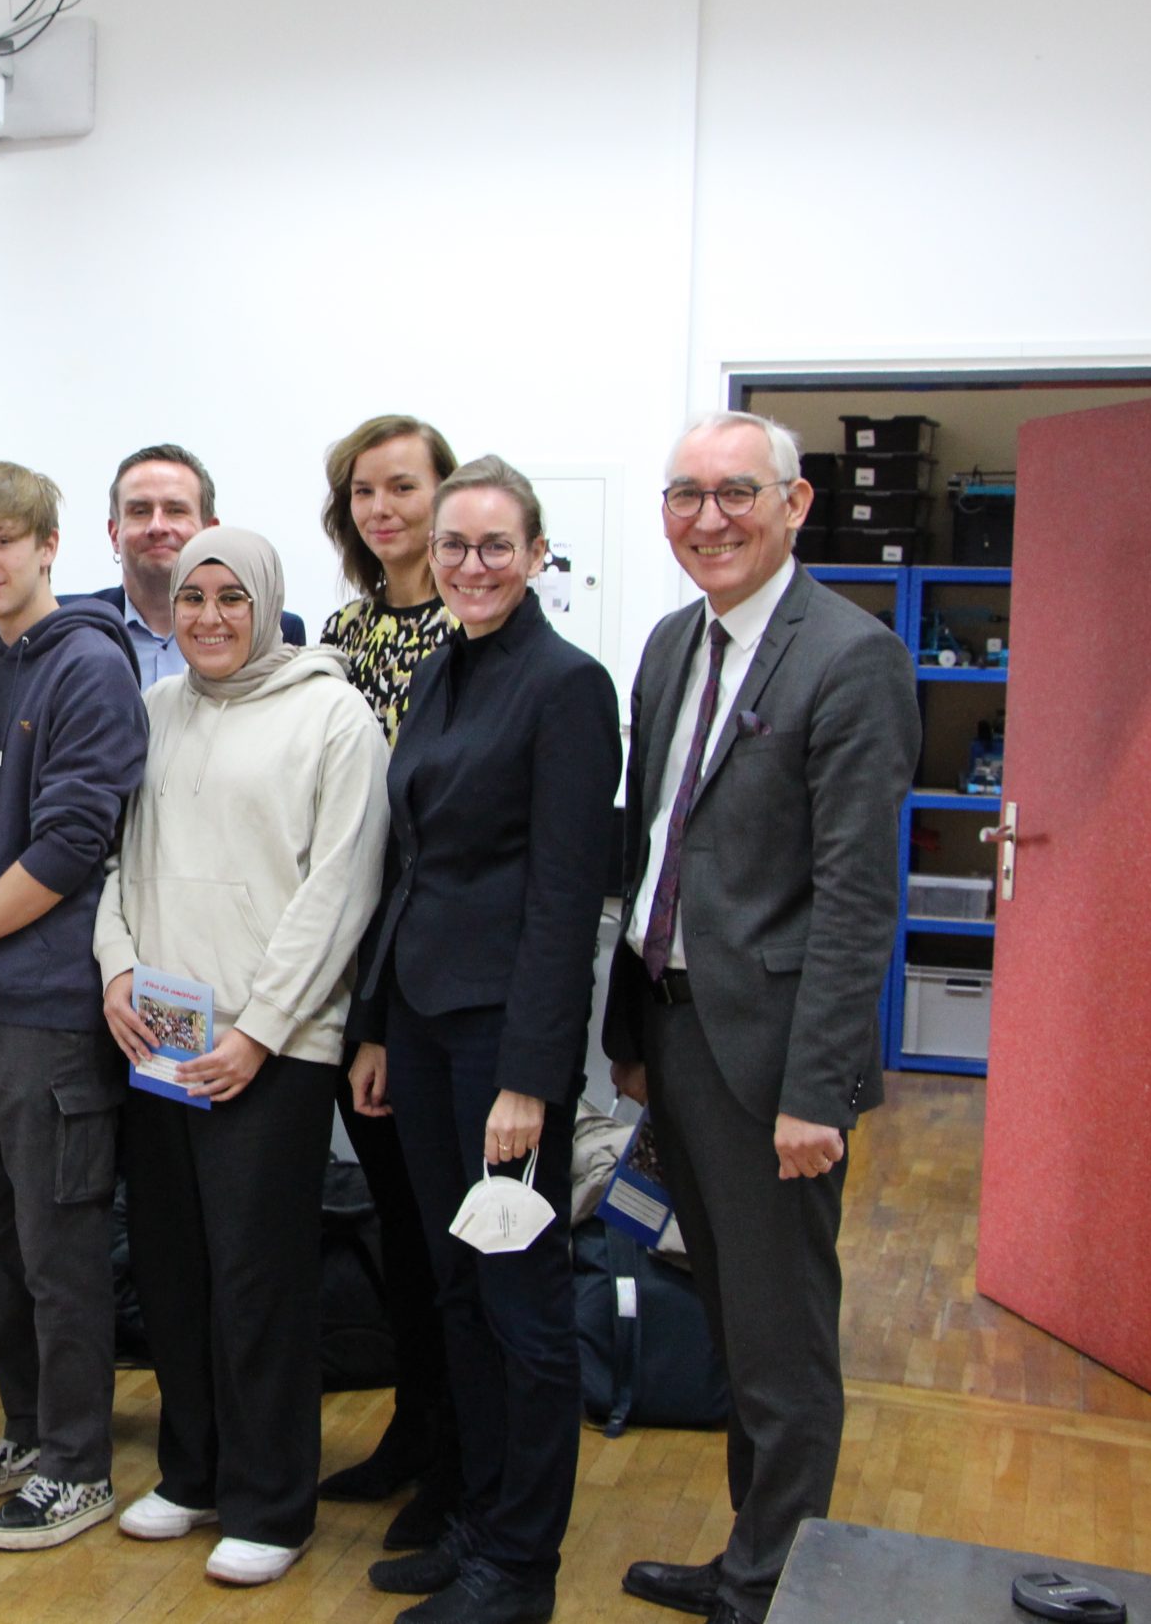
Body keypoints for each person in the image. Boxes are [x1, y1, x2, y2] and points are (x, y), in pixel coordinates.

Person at [605, 414, 915, 1624]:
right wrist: (630, 1035)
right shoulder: (670, 645)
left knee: (781, 1340)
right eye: (685, 495)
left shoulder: (850, 657)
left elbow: (855, 897)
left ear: (794, 505)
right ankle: (750, 1556)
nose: (708, 518)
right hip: (674, 1031)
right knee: (731, 1320)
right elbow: (652, 843)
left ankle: (776, 1581)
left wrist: (815, 1092)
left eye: (736, 492)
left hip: (772, 1055)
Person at [352, 457, 621, 1624]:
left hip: (500, 1039)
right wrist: (374, 1025)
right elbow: (407, 863)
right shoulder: (443, 670)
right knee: (456, 1282)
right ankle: (472, 1520)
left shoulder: (567, 687)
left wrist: (530, 1079)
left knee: (519, 1297)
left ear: (536, 555)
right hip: (419, 1024)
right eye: (453, 545)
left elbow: (564, 898)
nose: (471, 565)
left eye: (495, 546)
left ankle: (520, 1566)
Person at [94, 527, 387, 1587]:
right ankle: (195, 1472)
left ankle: (272, 1502)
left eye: (231, 598)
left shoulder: (333, 716)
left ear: (266, 603)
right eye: (191, 597)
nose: (209, 617)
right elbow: (115, 862)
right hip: (163, 1031)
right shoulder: (155, 709)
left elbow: (340, 887)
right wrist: (117, 971)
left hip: (277, 1044)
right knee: (172, 1270)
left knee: (258, 1278)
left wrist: (259, 1030)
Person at [0, 460, 147, 1552]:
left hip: (53, 1011)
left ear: (51, 546)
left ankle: (77, 1464)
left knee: (60, 1252)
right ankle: (26, 1432)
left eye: (3, 541)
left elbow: (69, 845)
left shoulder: (87, 666)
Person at [314, 414, 467, 1549]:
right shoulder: (341, 632)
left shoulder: (475, 629)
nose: (383, 509)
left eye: (403, 487)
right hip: (349, 963)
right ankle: (414, 1429)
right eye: (364, 491)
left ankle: (457, 1452)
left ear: (444, 494)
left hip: (432, 973)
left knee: (448, 1232)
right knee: (400, 1228)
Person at [82, 442, 306, 690]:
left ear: (210, 531)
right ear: (114, 534)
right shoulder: (76, 626)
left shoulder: (275, 630)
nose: (157, 527)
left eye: (176, 510)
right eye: (140, 511)